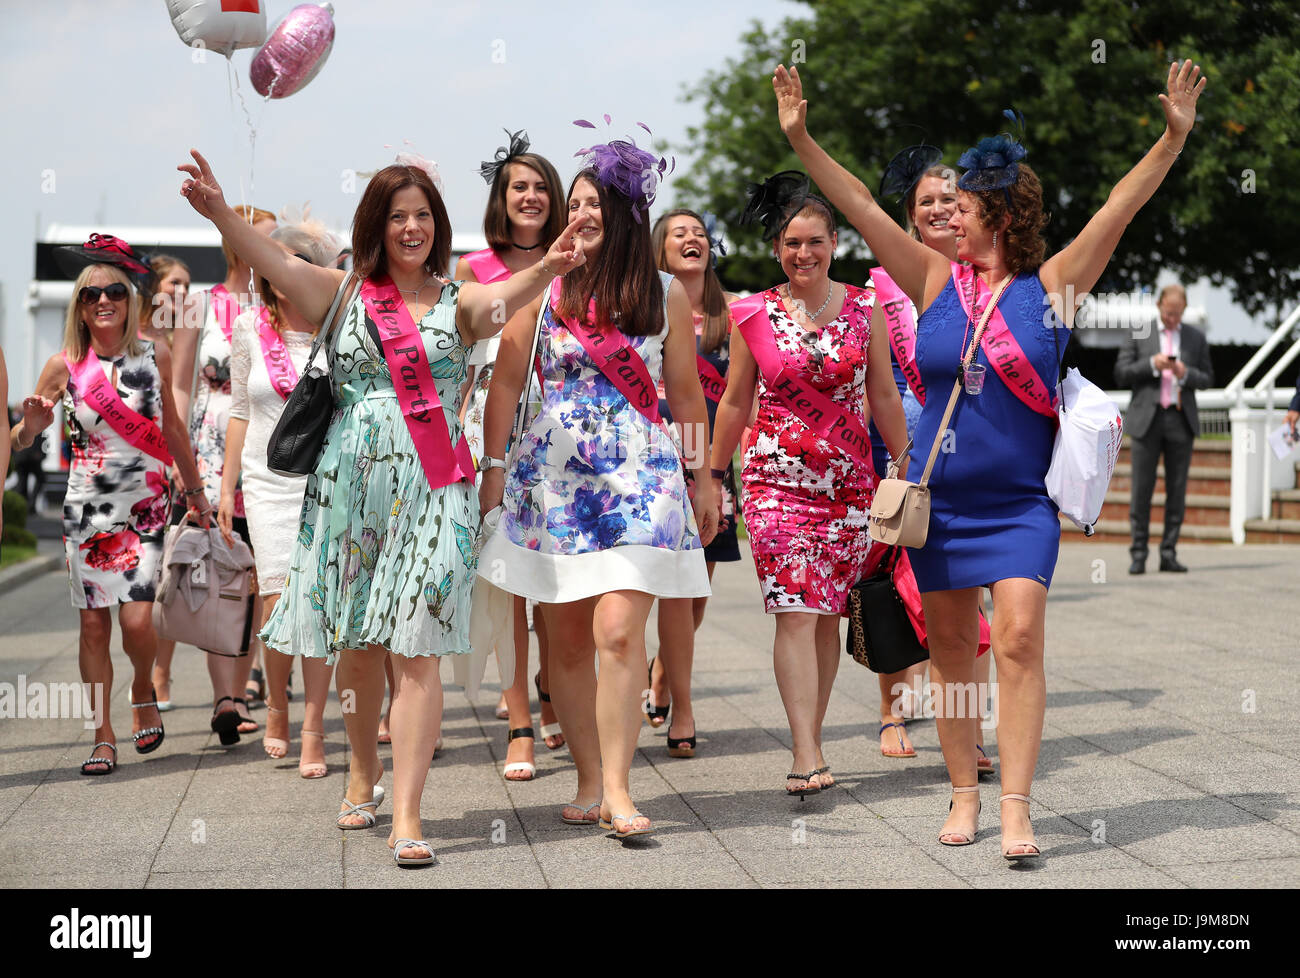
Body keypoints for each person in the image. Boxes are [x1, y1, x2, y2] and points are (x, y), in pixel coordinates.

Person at [773, 58, 1206, 858]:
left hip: (1018, 509)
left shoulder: (1055, 287)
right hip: (943, 509)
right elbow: (862, 206)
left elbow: (1119, 207)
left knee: (1017, 637)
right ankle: (964, 795)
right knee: (951, 657)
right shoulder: (934, 279)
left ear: (998, 215)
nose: (946, 216)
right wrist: (802, 139)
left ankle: (1014, 805)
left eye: (962, 206)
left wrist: (1171, 140)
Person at [179, 148, 586, 866]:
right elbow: (273, 262)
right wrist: (218, 213)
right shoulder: (340, 293)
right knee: (361, 648)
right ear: (377, 224)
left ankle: (407, 814)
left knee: (417, 646)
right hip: (350, 489)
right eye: (398, 216)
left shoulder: (459, 298)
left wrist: (551, 265)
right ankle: (362, 774)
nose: (412, 227)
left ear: (439, 224)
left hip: (437, 490)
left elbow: (505, 301)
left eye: (423, 215)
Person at [478, 136, 718, 839]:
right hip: (554, 482)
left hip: (643, 479)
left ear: (623, 213)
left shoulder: (663, 292)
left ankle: (617, 786)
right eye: (572, 202)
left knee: (618, 631)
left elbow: (687, 398)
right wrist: (493, 471)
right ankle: (588, 777)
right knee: (571, 646)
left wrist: (705, 476)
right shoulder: (544, 288)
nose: (579, 212)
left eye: (592, 203)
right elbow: (507, 383)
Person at [708, 173, 909, 797]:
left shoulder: (864, 308)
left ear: (835, 242)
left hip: (848, 487)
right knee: (796, 612)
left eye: (815, 241)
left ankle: (812, 734)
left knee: (825, 619)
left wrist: (905, 466)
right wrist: (714, 477)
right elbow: (735, 403)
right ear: (777, 248)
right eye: (792, 242)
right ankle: (804, 750)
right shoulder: (753, 315)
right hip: (775, 487)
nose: (804, 253)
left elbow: (882, 393)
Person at [10, 238, 210, 776]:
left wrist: (197, 493)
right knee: (94, 628)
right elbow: (24, 438)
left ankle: (143, 684)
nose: (103, 300)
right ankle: (102, 733)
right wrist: (30, 420)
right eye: (91, 293)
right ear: (79, 305)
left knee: (139, 622)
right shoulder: (63, 366)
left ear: (130, 301)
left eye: (115, 291)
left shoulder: (154, 355)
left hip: (144, 505)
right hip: (87, 510)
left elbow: (171, 431)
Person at [870, 154, 996, 774]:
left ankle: (971, 734)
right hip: (905, 458)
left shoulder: (996, 279)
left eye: (952, 198)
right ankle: (894, 712)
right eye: (926, 202)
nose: (940, 208)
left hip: (978, 465)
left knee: (974, 614)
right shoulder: (883, 287)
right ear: (910, 217)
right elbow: (881, 384)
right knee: (902, 589)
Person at [455, 131, 567, 778]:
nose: (529, 196)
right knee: (508, 587)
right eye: (517, 187)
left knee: (554, 584)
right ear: (501, 199)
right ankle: (519, 719)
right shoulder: (470, 270)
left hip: (558, 436)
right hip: (490, 436)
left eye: (540, 187)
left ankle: (556, 692)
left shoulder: (576, 260)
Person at [218, 220, 342, 776]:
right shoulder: (248, 328)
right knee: (275, 600)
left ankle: (313, 727)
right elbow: (240, 411)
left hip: (325, 478)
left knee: (317, 601)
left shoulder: (338, 327)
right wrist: (225, 487)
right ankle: (276, 706)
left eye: (296, 260)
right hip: (266, 486)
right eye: (275, 261)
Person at [169, 205, 276, 732]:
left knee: (260, 571)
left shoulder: (281, 302)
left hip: (269, 445)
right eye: (265, 238)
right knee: (217, 570)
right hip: (211, 449)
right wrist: (176, 451)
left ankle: (246, 684)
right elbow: (181, 383)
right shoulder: (198, 305)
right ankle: (223, 700)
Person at [647, 207, 740, 758]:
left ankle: (664, 670)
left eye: (700, 234)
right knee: (663, 587)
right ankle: (682, 703)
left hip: (710, 461)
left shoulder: (735, 315)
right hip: (652, 455)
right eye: (679, 234)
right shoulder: (643, 306)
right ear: (659, 250)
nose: (692, 240)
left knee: (694, 591)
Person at [1115, 283, 1213, 574]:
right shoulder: (1140, 331)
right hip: (1148, 420)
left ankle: (1169, 552)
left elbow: (1208, 378)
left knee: (1177, 490)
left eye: (1178, 313)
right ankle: (1139, 554)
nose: (1173, 319)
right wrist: (1152, 365)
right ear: (1159, 306)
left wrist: (1186, 373)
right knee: (1141, 490)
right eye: (1169, 313)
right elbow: (1121, 373)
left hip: (1181, 420)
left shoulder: (1195, 337)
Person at [138, 255, 191, 348]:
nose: (183, 291)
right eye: (175, 283)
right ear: (151, 284)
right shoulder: (126, 331)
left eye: (186, 286)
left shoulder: (187, 337)